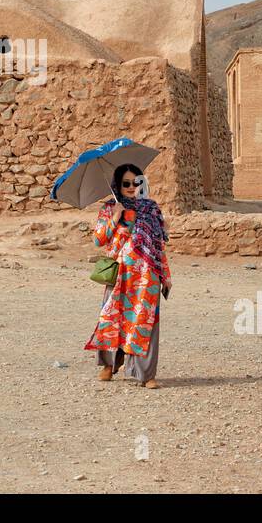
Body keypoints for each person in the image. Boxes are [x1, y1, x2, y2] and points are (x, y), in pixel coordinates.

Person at [85, 163, 171, 389]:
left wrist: (166, 274)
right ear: (118, 185)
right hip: (121, 275)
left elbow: (159, 245)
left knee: (144, 323)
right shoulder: (109, 208)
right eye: (126, 183)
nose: (132, 187)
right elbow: (98, 240)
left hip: (147, 276)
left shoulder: (151, 209)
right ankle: (109, 366)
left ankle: (146, 374)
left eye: (136, 182)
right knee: (114, 319)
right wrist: (116, 217)